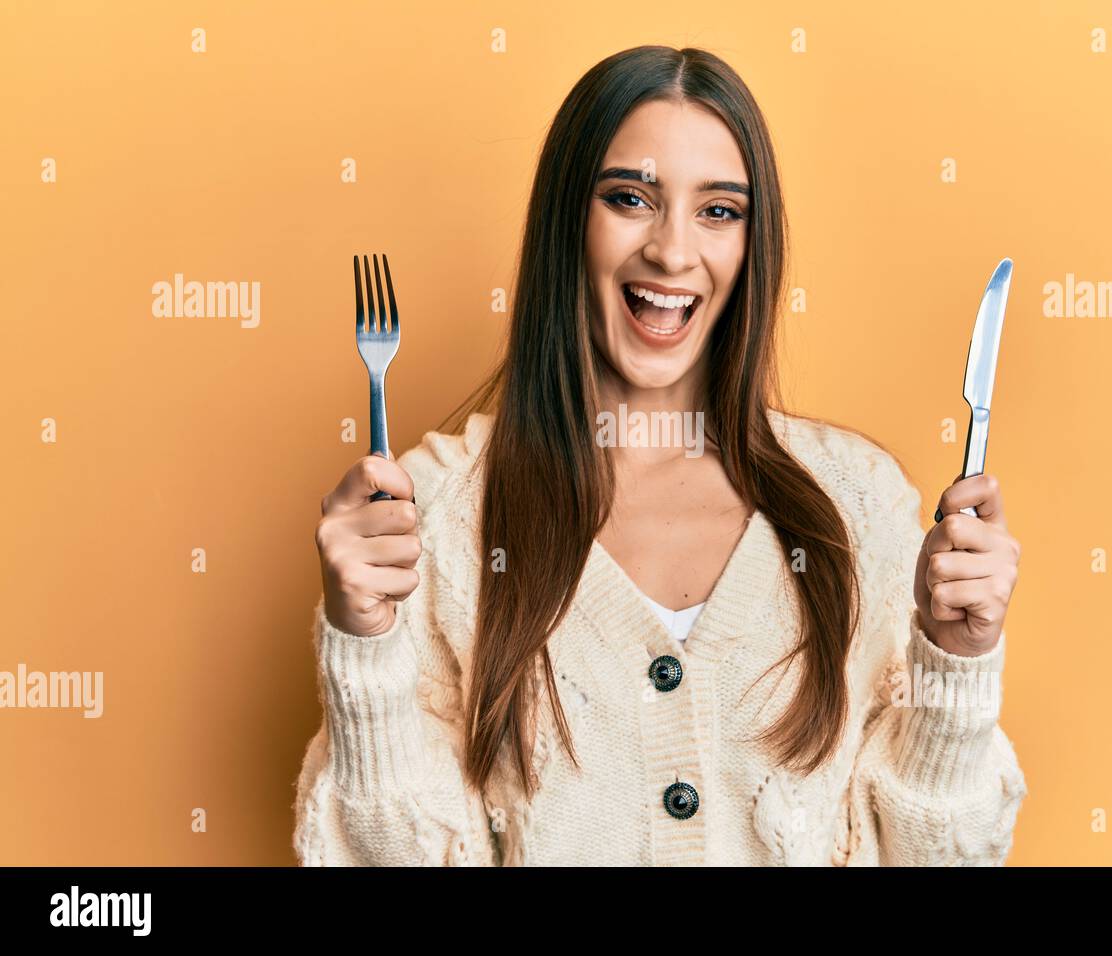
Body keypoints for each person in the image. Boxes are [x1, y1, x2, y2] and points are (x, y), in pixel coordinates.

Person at [294, 45, 1026, 866]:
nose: (673, 252)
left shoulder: (860, 506)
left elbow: (930, 859)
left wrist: (957, 663)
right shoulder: (429, 511)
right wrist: (366, 649)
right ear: (568, 220)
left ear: (755, 244)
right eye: (631, 199)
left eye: (719, 211)